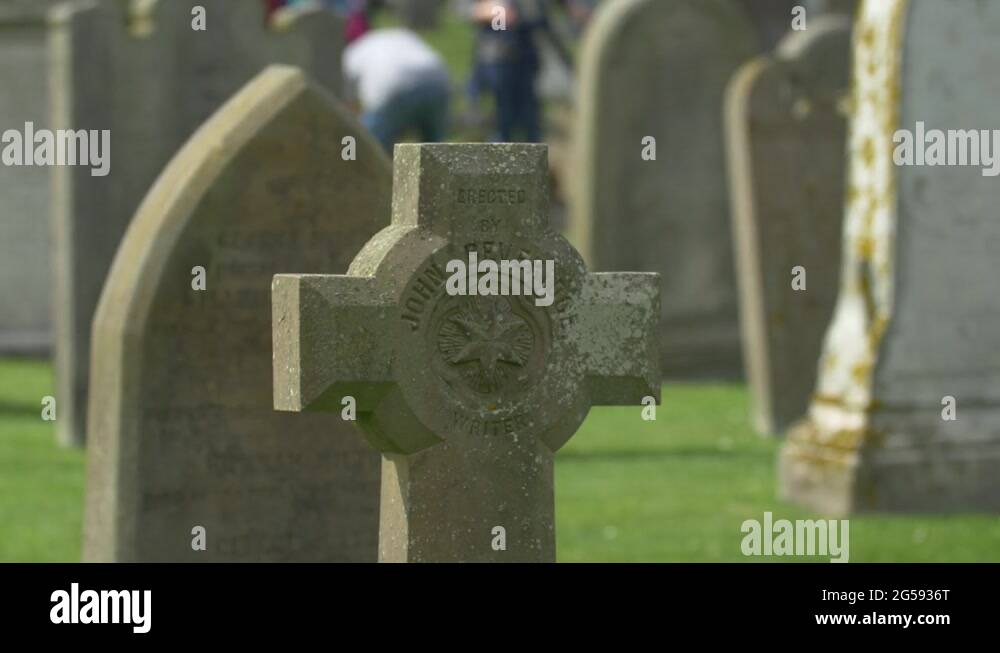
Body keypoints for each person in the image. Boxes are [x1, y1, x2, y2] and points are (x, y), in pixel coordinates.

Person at [343, 25, 451, 151]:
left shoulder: (353, 51)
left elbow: (349, 103)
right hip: (437, 80)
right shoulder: (399, 33)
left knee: (369, 146)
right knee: (435, 150)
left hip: (395, 84)